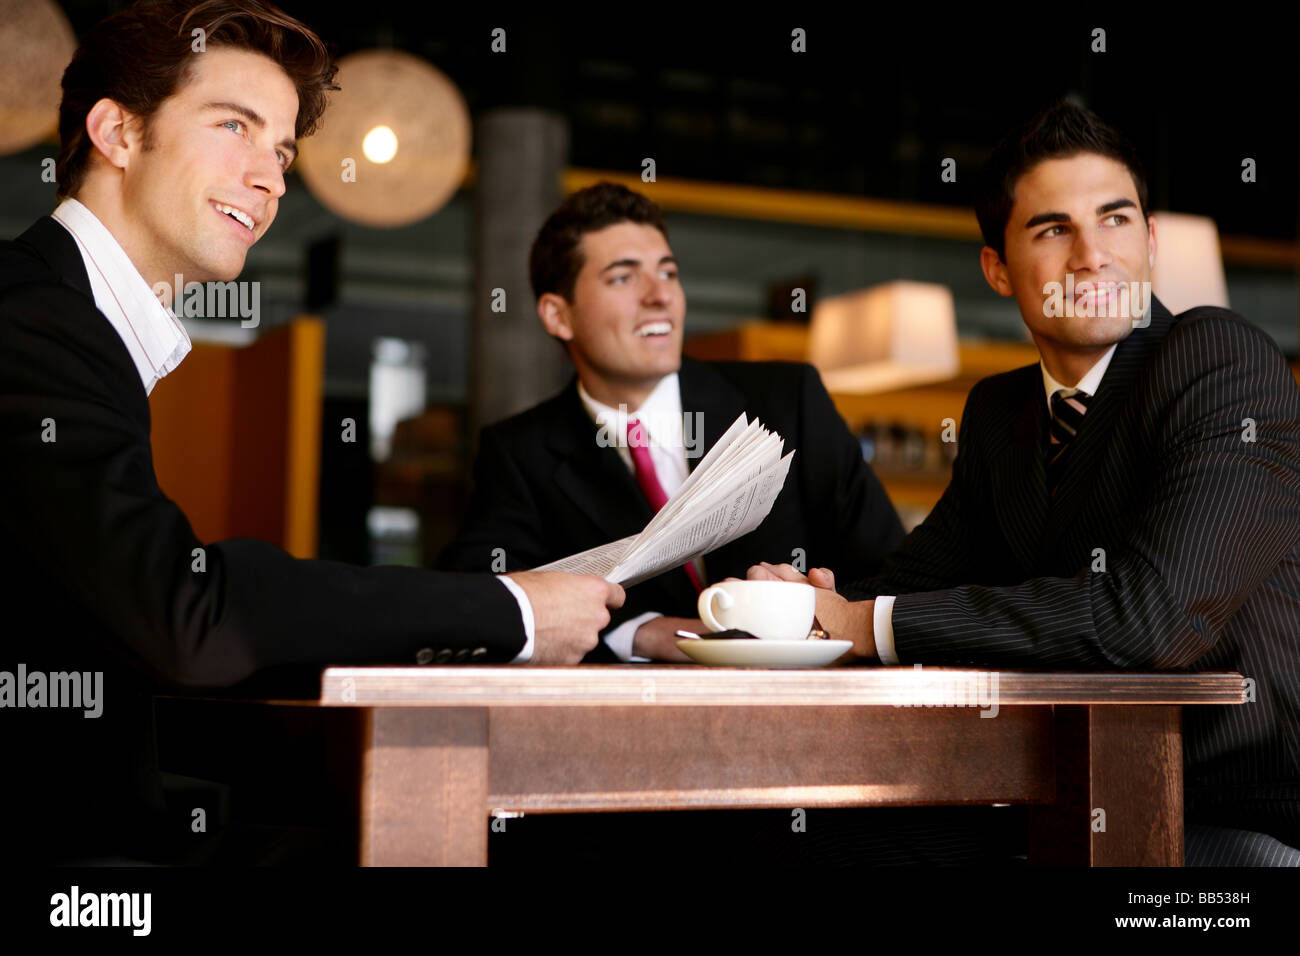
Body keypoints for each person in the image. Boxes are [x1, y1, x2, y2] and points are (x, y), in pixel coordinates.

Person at [0, 0, 622, 865]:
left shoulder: (71, 321)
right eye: (234, 127)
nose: (272, 178)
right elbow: (183, 617)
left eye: (283, 150)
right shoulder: (30, 321)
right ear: (117, 132)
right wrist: (507, 609)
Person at [752, 101, 1300, 866]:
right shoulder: (1000, 410)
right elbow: (921, 576)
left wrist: (859, 625)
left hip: (1239, 806)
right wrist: (801, 610)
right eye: (1053, 230)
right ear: (998, 269)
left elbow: (1147, 621)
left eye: (1115, 221)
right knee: (790, 833)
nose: (1091, 256)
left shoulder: (1218, 360)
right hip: (1064, 785)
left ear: (1148, 242)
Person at [438, 182, 904, 661]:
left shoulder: (789, 401)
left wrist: (817, 609)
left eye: (669, 272)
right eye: (623, 278)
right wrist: (643, 632)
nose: (660, 295)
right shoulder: (520, 451)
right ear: (559, 316)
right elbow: (482, 596)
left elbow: (895, 568)